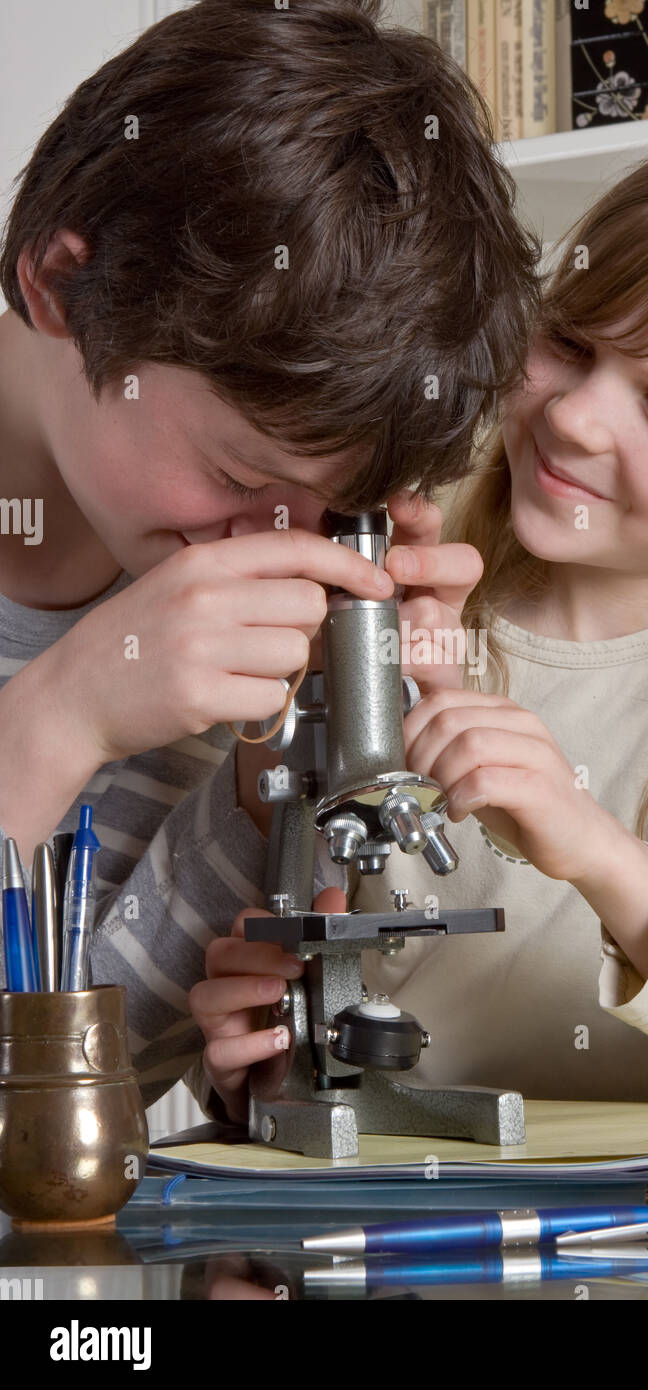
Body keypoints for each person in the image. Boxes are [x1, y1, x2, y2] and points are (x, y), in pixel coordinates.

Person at [191, 125, 648, 1124]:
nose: (577, 417)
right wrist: (259, 1062)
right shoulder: (389, 619)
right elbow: (343, 1007)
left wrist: (599, 851)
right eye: (570, 344)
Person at [0, 0, 541, 1111]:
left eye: (330, 510)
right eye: (246, 481)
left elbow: (75, 1079)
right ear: (59, 286)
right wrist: (53, 723)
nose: (279, 548)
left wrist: (270, 782)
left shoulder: (219, 570)